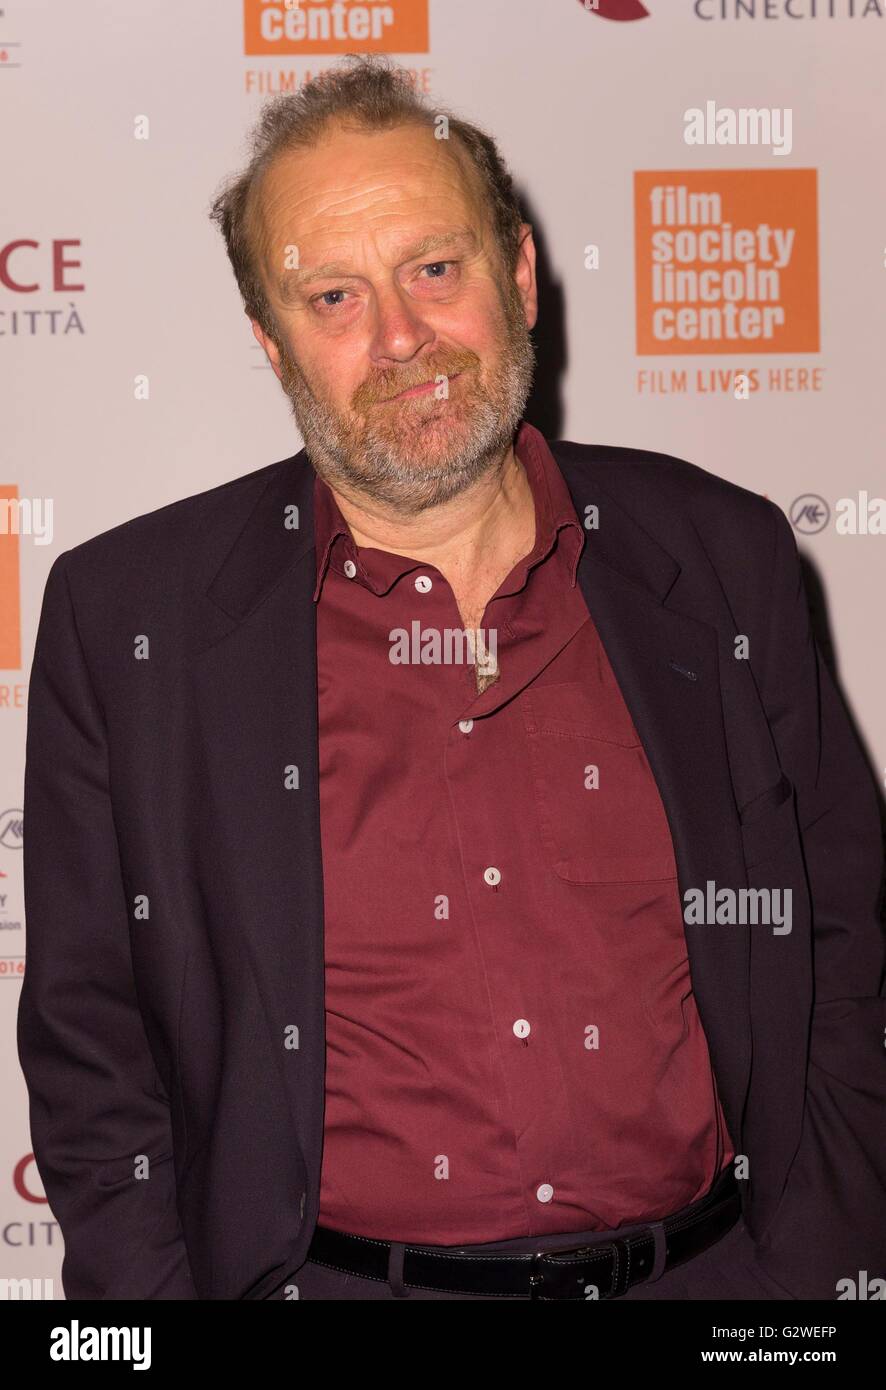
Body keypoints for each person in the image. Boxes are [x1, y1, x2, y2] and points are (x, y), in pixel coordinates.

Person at [18, 55, 885, 1301]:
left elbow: (840, 945)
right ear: (269, 344)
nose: (402, 337)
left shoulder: (720, 551)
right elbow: (92, 1040)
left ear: (518, 275)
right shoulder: (132, 619)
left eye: (436, 268)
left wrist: (817, 1274)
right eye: (332, 295)